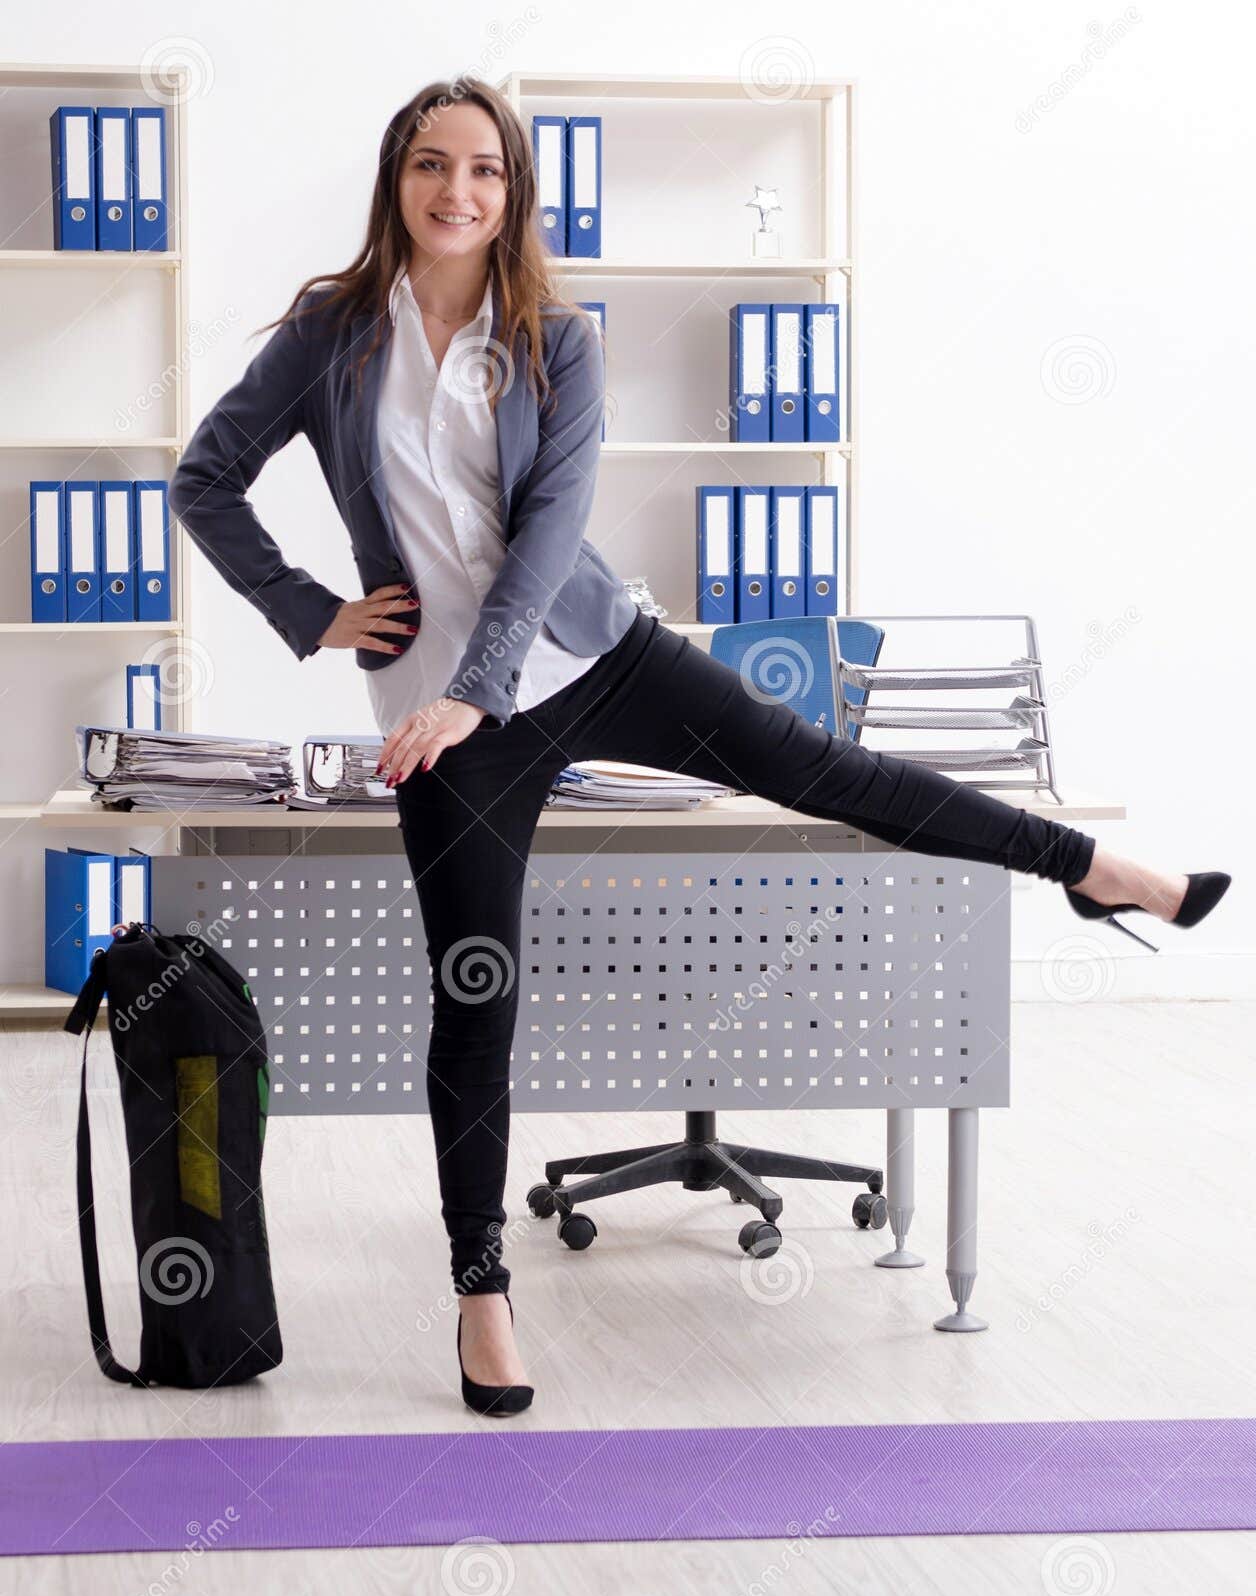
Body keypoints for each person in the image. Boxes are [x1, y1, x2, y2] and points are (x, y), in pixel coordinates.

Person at [169, 78, 1230, 1419]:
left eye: (486, 171)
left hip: (591, 656)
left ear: (516, 192)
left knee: (826, 772)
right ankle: (481, 1290)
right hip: (437, 707)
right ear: (396, 179)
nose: (458, 192)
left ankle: (1088, 865)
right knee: (477, 989)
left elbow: (552, 526)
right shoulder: (332, 336)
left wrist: (484, 684)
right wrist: (312, 614)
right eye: (432, 166)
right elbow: (204, 476)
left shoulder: (558, 336)